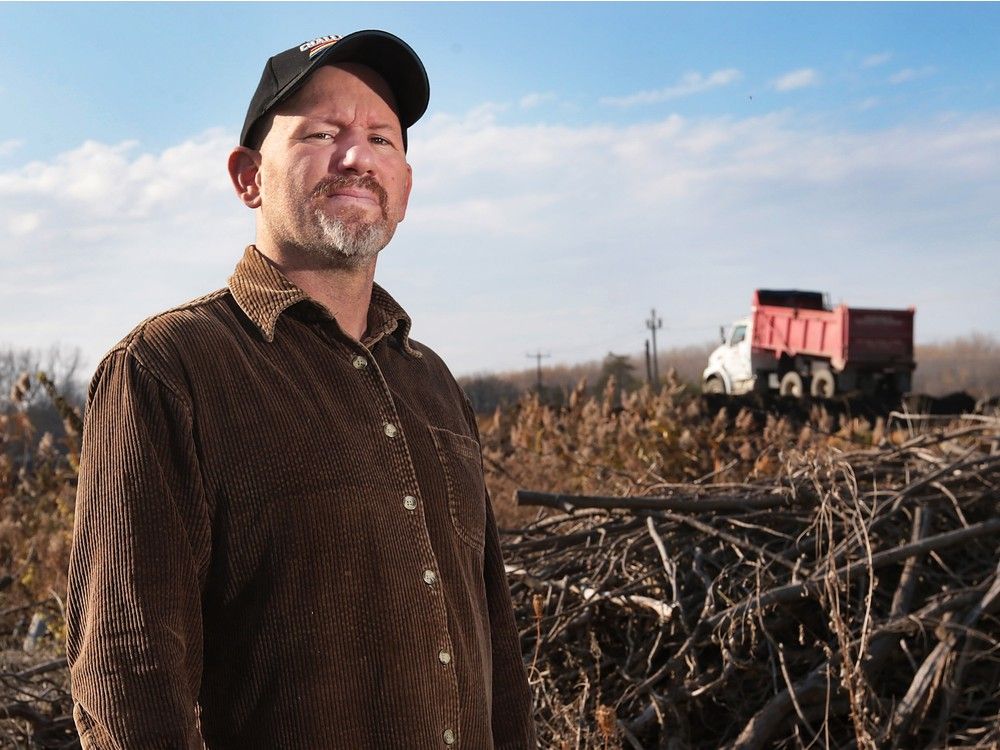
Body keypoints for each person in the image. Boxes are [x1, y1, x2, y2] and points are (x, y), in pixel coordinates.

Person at [66, 30, 537, 749]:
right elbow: (127, 673)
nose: (357, 157)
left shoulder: (432, 383)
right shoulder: (168, 369)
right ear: (248, 177)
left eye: (383, 138)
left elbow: (496, 644)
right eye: (322, 132)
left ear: (406, 187)